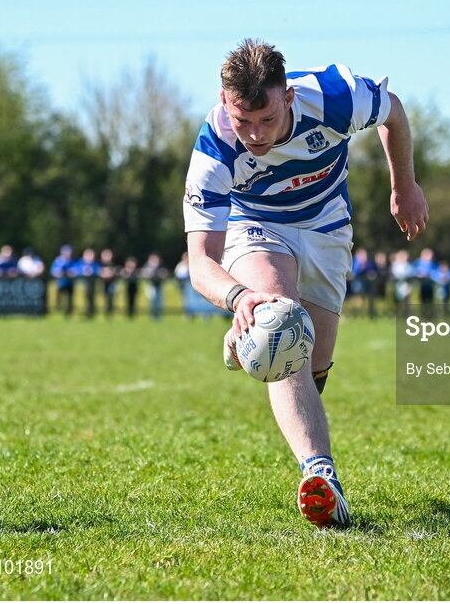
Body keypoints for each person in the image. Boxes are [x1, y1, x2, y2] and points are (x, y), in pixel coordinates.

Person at [183, 40, 427, 528]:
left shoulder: (334, 96)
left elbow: (394, 113)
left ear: (289, 97)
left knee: (314, 364)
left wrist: (404, 185)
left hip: (327, 224)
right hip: (257, 225)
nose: (255, 134)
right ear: (224, 100)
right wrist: (240, 295)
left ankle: (247, 340)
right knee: (283, 329)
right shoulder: (214, 148)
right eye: (243, 119)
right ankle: (321, 475)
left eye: (268, 119)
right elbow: (200, 262)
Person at [50, 245, 76, 317]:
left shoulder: (72, 261)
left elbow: (76, 271)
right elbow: (53, 271)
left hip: (70, 283)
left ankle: (68, 311)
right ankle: (59, 309)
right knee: (60, 297)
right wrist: (60, 273)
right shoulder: (58, 261)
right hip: (61, 283)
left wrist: (71, 273)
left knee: (70, 298)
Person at [75, 248, 100, 319]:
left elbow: (98, 271)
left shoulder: (95, 264)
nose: (90, 257)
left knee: (91, 298)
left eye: (91, 255)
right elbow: (75, 270)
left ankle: (91, 311)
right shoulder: (80, 263)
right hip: (81, 286)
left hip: (92, 285)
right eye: (88, 255)